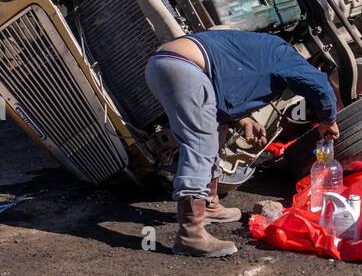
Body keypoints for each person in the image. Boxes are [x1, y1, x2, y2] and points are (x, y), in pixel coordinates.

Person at [145, 29, 339, 257]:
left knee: (215, 129)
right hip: (184, 67)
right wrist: (328, 120)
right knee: (200, 143)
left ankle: (209, 205)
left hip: (166, 65)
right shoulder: (285, 55)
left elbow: (224, 90)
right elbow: (318, 84)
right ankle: (190, 234)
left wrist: (244, 119)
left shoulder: (259, 53)